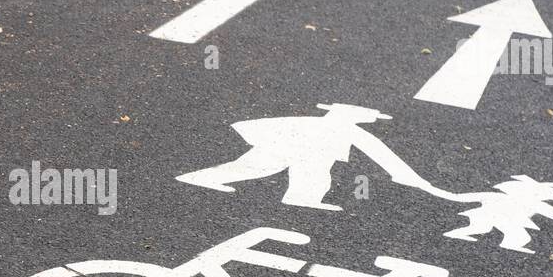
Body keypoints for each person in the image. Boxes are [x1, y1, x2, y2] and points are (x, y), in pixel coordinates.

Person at [176, 103, 443, 209]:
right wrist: (413, 179)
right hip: (298, 149)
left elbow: (381, 154)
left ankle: (201, 177)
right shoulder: (346, 129)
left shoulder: (318, 122)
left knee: (256, 166)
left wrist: (409, 177)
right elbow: (382, 155)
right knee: (296, 171)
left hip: (287, 145)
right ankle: (302, 198)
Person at [442, 175, 553, 253]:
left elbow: (459, 197)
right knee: (520, 236)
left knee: (482, 228)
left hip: (488, 215)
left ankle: (455, 233)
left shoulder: (499, 196)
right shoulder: (535, 203)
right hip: (499, 217)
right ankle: (508, 245)